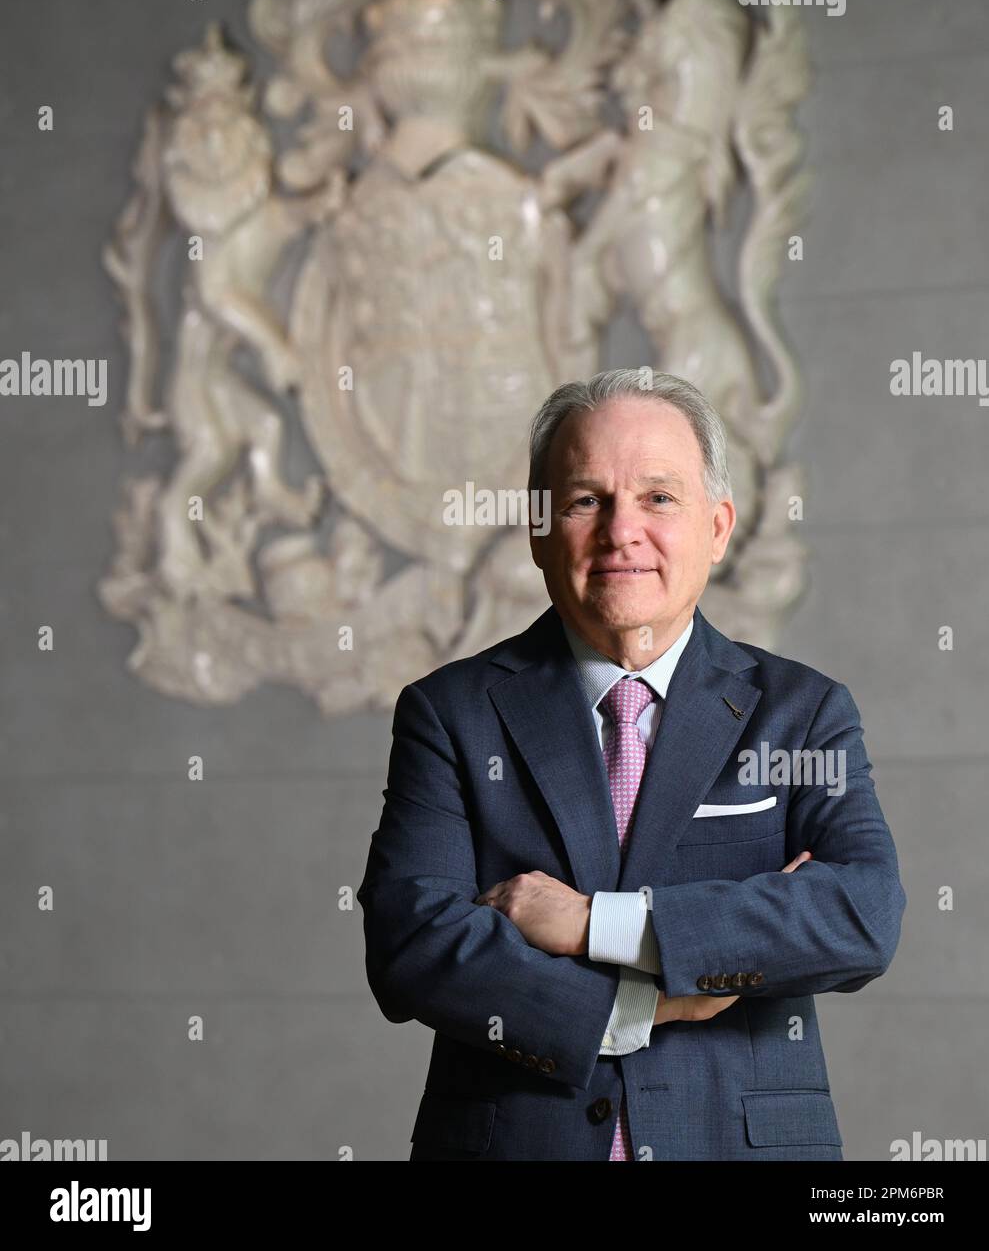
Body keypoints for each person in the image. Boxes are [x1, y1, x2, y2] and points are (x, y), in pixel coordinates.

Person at [357, 368, 905, 1161]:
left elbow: (861, 913)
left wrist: (594, 924)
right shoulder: (452, 712)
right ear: (541, 530)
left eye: (658, 497)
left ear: (718, 527)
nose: (622, 532)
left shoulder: (803, 713)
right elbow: (414, 945)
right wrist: (641, 1007)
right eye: (587, 500)